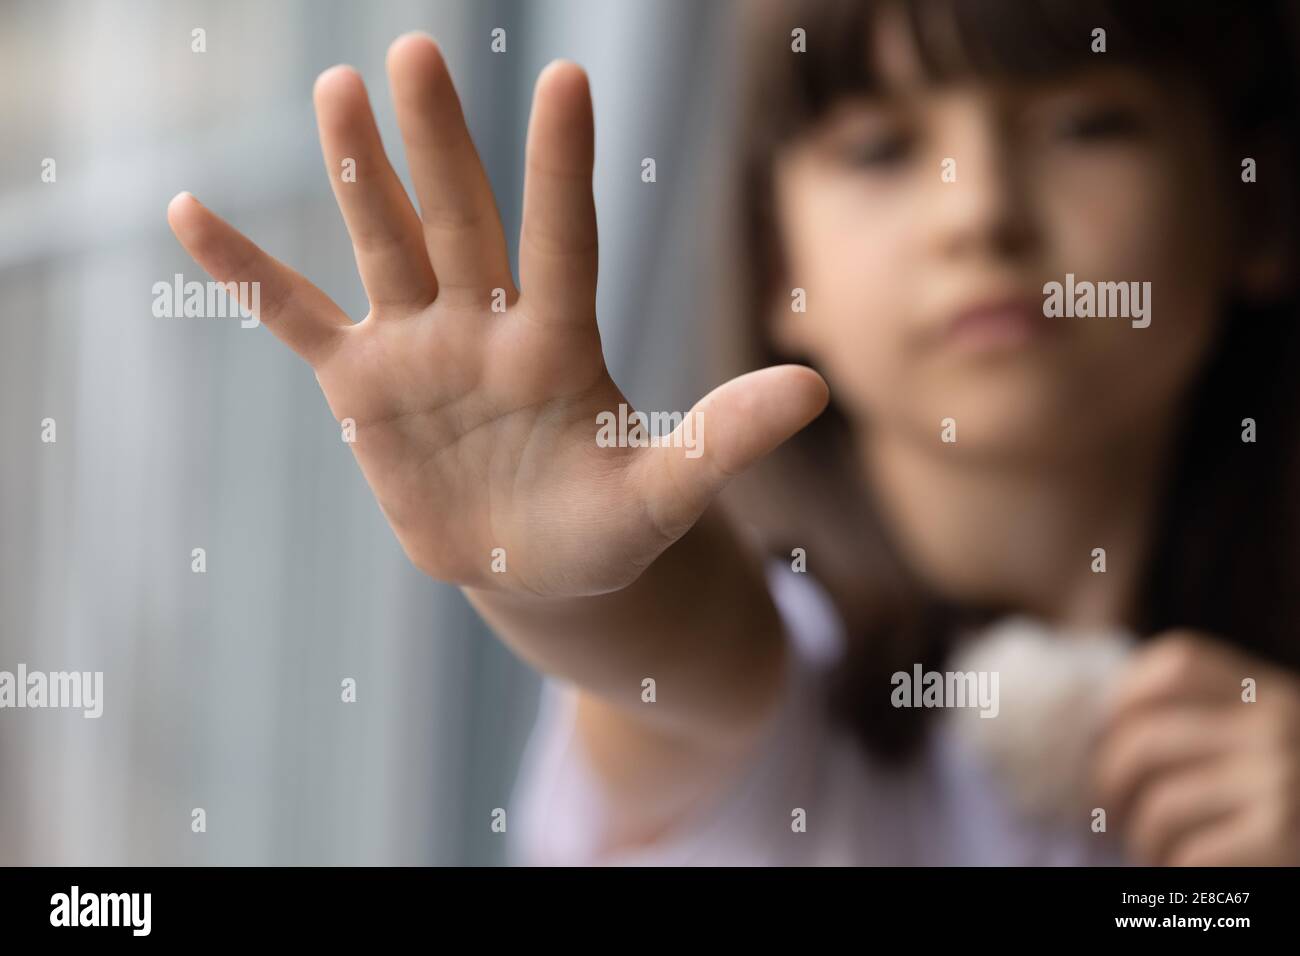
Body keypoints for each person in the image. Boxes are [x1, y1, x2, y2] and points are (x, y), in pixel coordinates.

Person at [167, 0, 1300, 865]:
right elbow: (674, 644)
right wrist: (544, 567)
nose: (980, 207)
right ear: (777, 266)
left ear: (1255, 204)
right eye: (880, 150)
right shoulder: (780, 668)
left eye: (1084, 123)